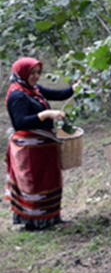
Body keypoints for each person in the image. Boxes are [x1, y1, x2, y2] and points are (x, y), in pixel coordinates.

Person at [4, 57, 75, 230]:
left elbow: (59, 94)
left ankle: (50, 218)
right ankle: (33, 222)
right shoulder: (18, 94)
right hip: (29, 149)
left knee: (48, 180)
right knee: (33, 184)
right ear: (23, 73)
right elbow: (20, 122)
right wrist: (45, 115)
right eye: (32, 73)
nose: (36, 76)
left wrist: (78, 86)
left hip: (44, 147)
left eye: (38, 73)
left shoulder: (33, 89)